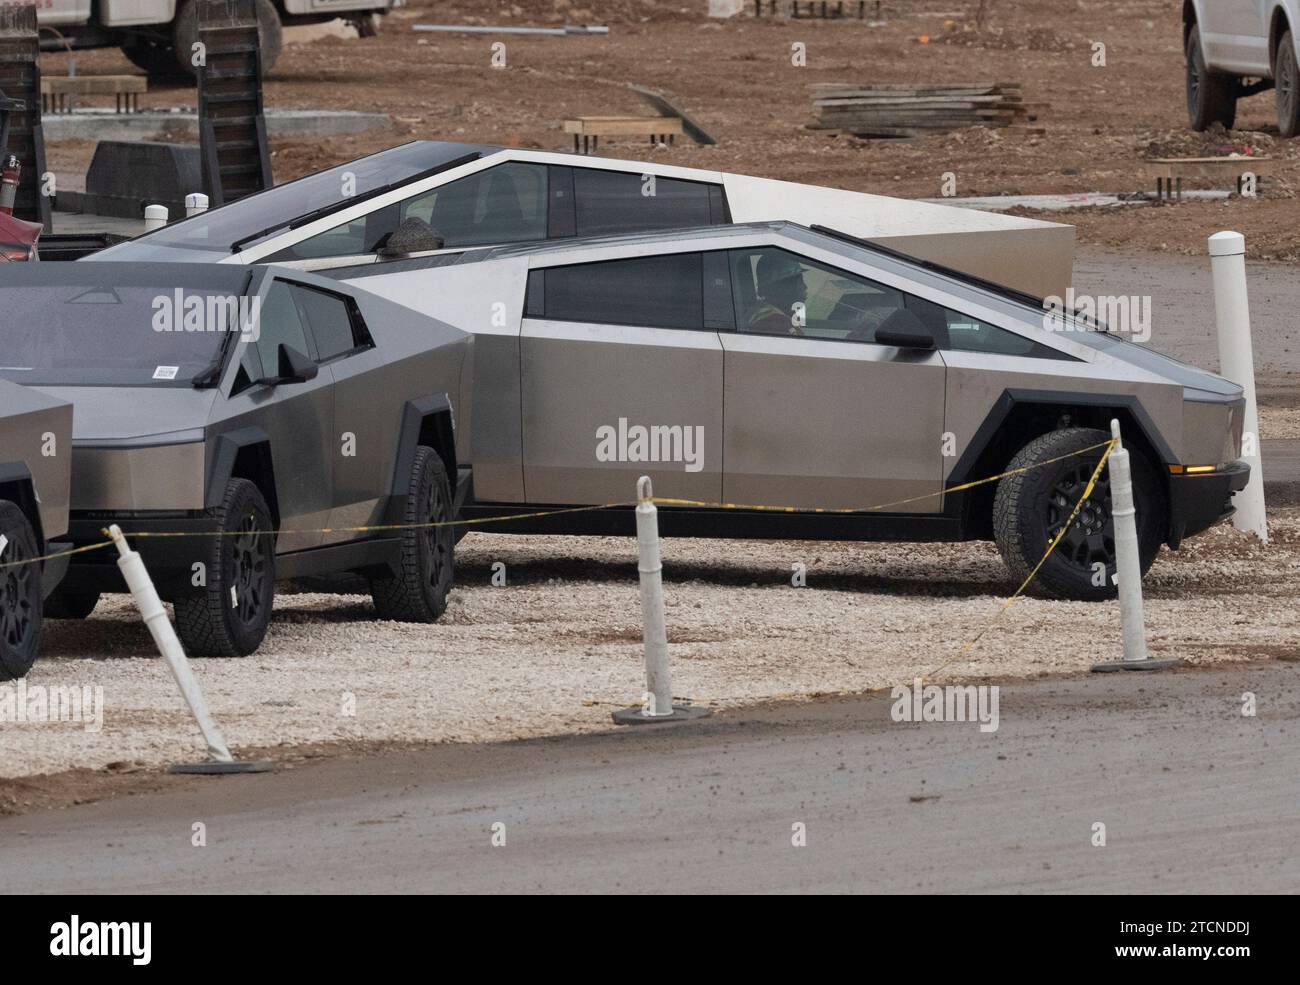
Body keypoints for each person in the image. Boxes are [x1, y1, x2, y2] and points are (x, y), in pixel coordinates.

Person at [746, 251, 807, 336]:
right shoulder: (776, 325)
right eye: (799, 283)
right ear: (783, 288)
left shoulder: (768, 315)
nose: (805, 287)